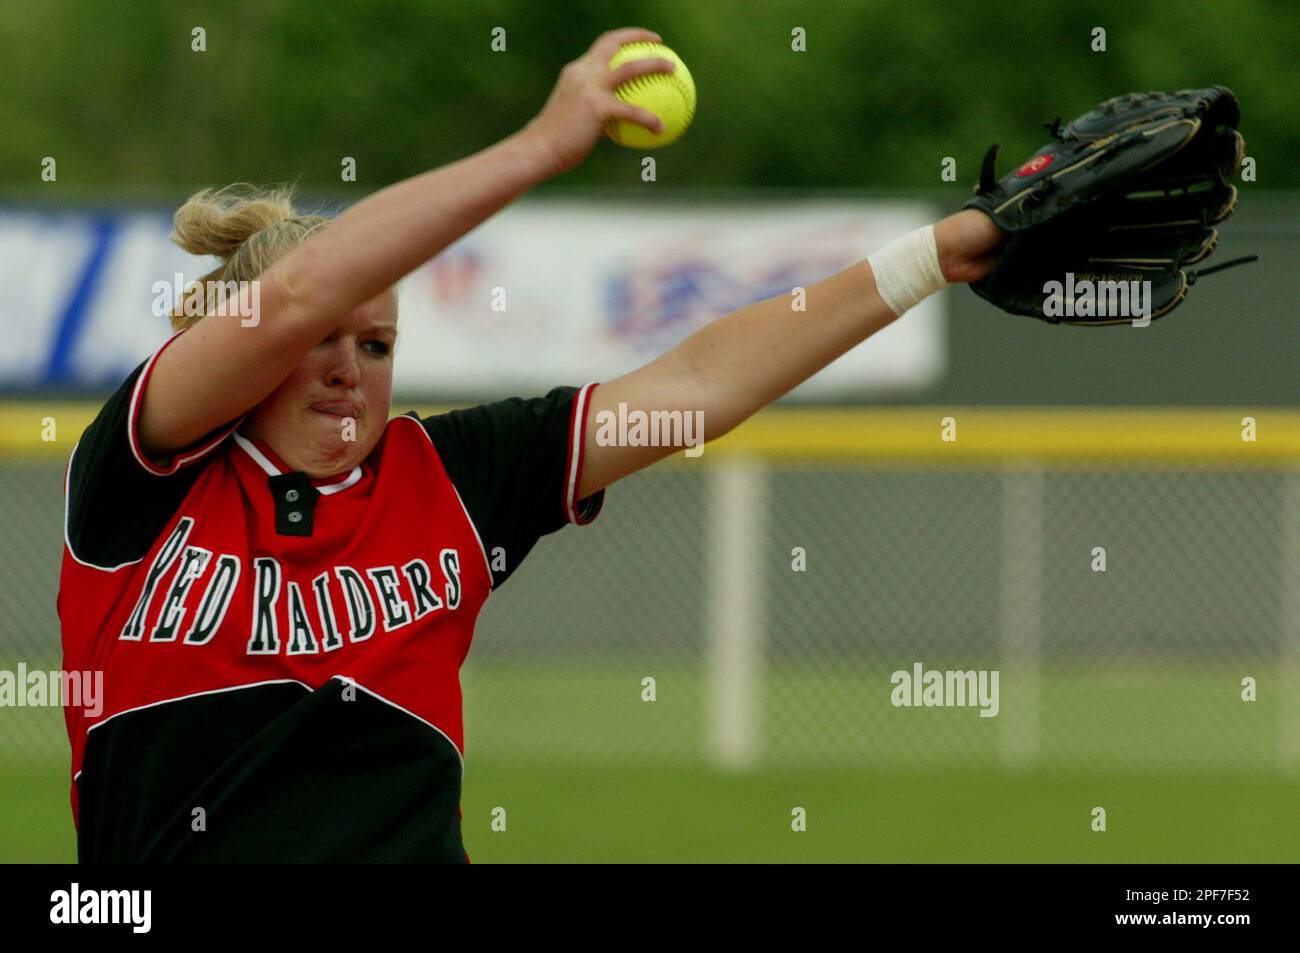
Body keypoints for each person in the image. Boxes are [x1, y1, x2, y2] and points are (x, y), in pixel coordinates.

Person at [58, 27, 1002, 862]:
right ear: (239, 346)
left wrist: (936, 257)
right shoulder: (144, 472)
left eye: (378, 345)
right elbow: (301, 292)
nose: (350, 369)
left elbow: (695, 389)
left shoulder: (454, 477)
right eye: (319, 343)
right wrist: (542, 147)